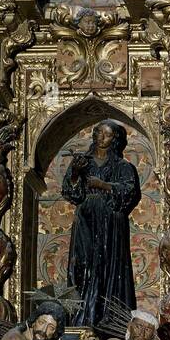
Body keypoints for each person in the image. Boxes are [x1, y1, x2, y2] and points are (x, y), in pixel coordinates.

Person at [61, 121, 141, 329]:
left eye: (105, 134)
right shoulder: (81, 163)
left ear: (114, 139)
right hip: (86, 221)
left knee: (109, 270)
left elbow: (129, 193)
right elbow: (71, 193)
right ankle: (81, 320)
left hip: (111, 225)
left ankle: (109, 322)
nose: (99, 137)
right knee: (82, 268)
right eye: (97, 132)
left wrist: (102, 185)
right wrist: (77, 173)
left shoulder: (123, 167)